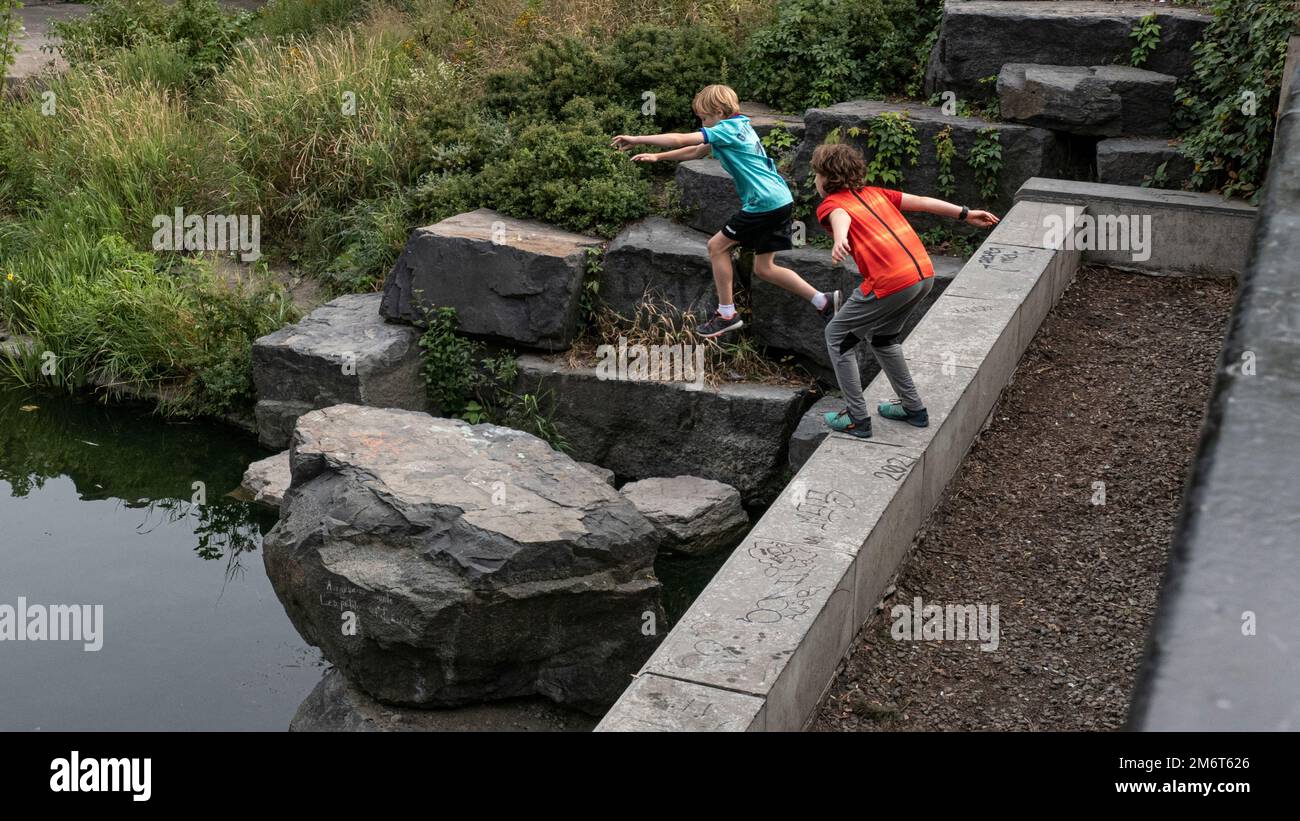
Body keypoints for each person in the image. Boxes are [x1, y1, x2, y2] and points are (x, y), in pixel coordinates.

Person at [611, 84, 838, 338]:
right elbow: (695, 150)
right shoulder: (740, 126)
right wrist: (658, 157)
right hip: (780, 200)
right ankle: (823, 301)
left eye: (705, 118)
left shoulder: (725, 129)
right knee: (764, 268)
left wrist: (637, 138)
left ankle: (727, 313)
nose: (704, 123)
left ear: (719, 112)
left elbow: (681, 138)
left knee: (716, 246)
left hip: (764, 203)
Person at [811, 142, 999, 438]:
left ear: (826, 178)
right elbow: (924, 201)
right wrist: (965, 213)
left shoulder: (831, 204)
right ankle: (913, 408)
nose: (815, 181)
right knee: (883, 338)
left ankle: (856, 418)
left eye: (816, 175)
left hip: (891, 281)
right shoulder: (877, 193)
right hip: (923, 275)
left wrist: (840, 238)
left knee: (836, 337)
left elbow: (841, 217)